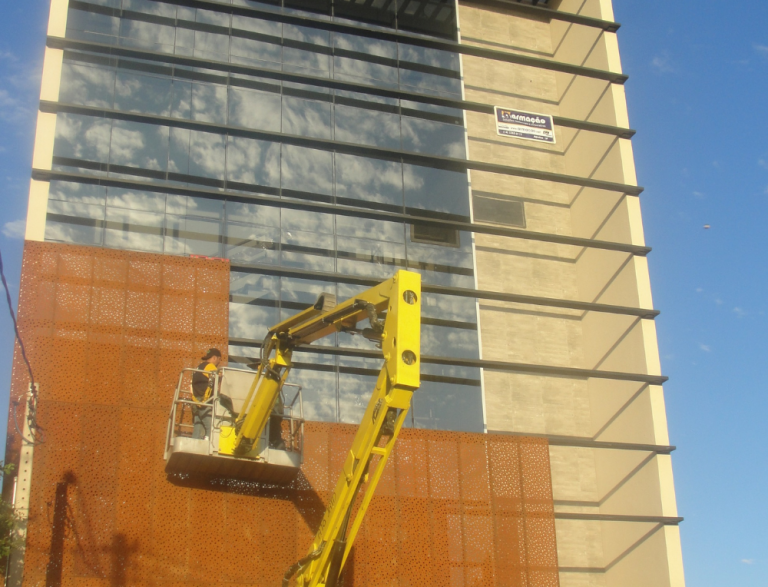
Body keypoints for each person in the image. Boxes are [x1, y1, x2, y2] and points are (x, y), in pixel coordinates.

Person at [191, 348, 222, 439]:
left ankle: (194, 450)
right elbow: (219, 377)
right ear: (215, 358)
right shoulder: (210, 366)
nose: (219, 363)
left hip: (196, 403)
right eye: (219, 360)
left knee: (198, 429)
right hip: (205, 403)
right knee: (212, 429)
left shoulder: (199, 367)